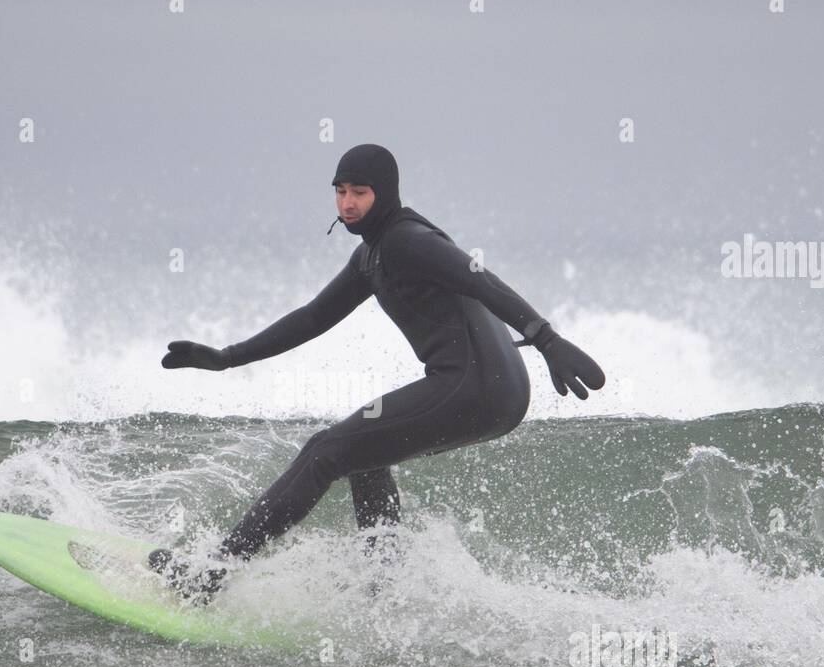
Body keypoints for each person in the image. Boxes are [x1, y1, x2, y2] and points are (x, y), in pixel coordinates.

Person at [150, 144, 605, 602]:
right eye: (340, 192)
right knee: (363, 455)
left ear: (383, 193)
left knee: (326, 449)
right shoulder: (371, 255)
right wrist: (227, 357)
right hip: (488, 392)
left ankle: (213, 575)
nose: (347, 203)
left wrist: (547, 340)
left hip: (475, 388)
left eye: (360, 192)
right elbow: (312, 318)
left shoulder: (407, 240)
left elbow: (479, 278)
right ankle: (385, 592)